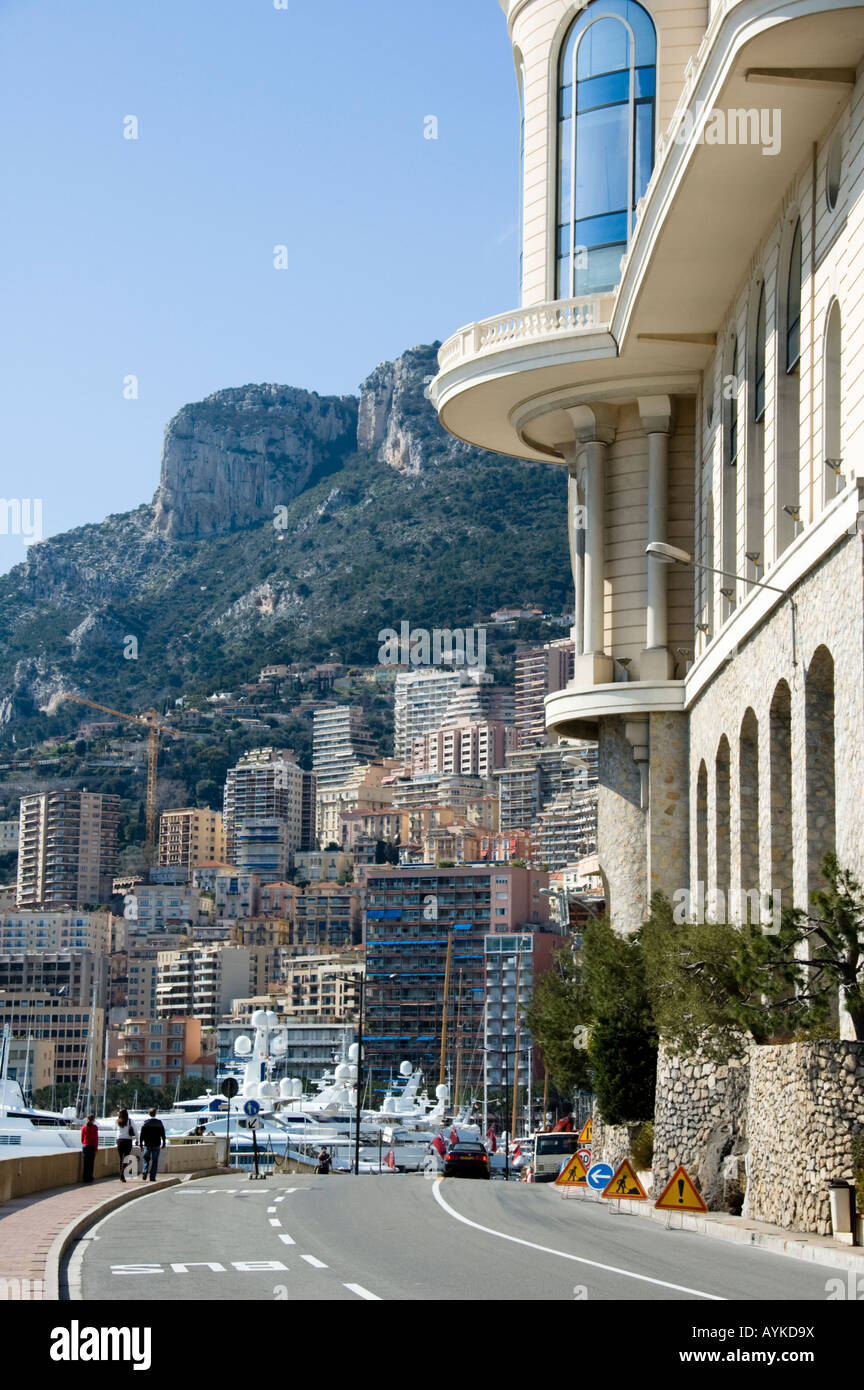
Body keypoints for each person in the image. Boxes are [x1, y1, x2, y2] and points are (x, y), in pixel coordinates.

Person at [139, 1107, 167, 1182]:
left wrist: (141, 1144)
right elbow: (163, 1134)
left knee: (146, 1159)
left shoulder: (145, 1123)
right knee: (155, 1161)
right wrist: (164, 1142)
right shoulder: (159, 1123)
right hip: (156, 1144)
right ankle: (152, 1177)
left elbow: (142, 1135)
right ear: (155, 1113)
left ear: (149, 1113)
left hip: (147, 1144)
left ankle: (145, 1171)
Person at [115, 1107, 137, 1182]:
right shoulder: (130, 1121)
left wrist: (116, 1140)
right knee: (126, 1158)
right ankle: (122, 1174)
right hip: (128, 1141)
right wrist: (137, 1140)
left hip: (120, 1141)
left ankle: (121, 1174)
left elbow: (116, 1131)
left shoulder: (118, 1121)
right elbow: (136, 1131)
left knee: (121, 1158)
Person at [80, 1113, 99, 1183]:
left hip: (85, 1147)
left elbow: (82, 1139)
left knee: (85, 1163)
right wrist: (96, 1148)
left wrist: (84, 1143)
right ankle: (89, 1177)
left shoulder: (83, 1128)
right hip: (91, 1147)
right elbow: (95, 1139)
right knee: (91, 1163)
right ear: (93, 1120)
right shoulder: (95, 1127)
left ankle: (85, 1178)